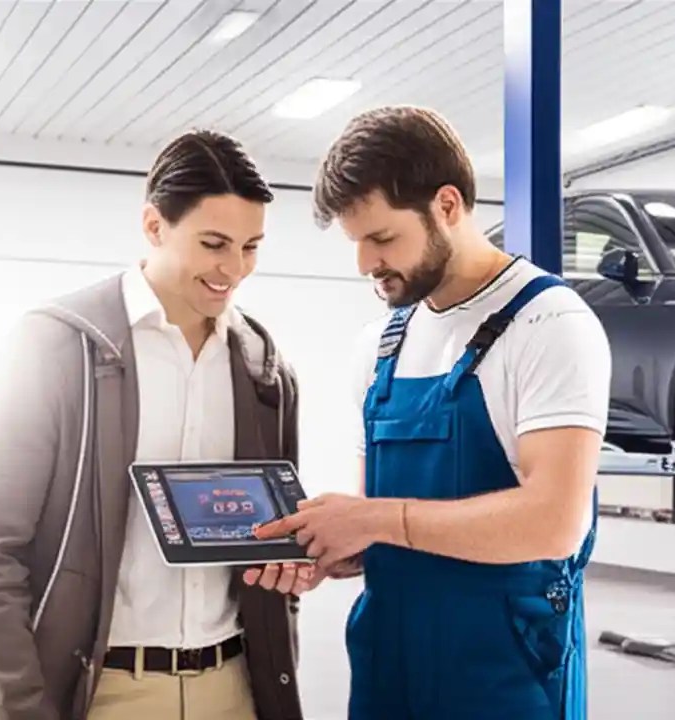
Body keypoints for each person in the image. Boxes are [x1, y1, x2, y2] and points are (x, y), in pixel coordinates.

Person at [255, 106, 612, 719]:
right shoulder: (379, 347)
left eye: (383, 238)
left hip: (505, 679)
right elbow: (389, 527)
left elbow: (555, 521)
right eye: (357, 242)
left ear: (447, 205)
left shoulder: (550, 324)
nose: (365, 263)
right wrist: (339, 546)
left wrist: (374, 519)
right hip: (388, 673)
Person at [0, 130, 308, 720]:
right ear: (153, 225)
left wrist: (292, 560)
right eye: (214, 243)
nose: (234, 269)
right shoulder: (59, 345)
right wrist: (19, 708)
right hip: (106, 693)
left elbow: (270, 537)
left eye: (251, 247)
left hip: (235, 686)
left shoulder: (263, 365)